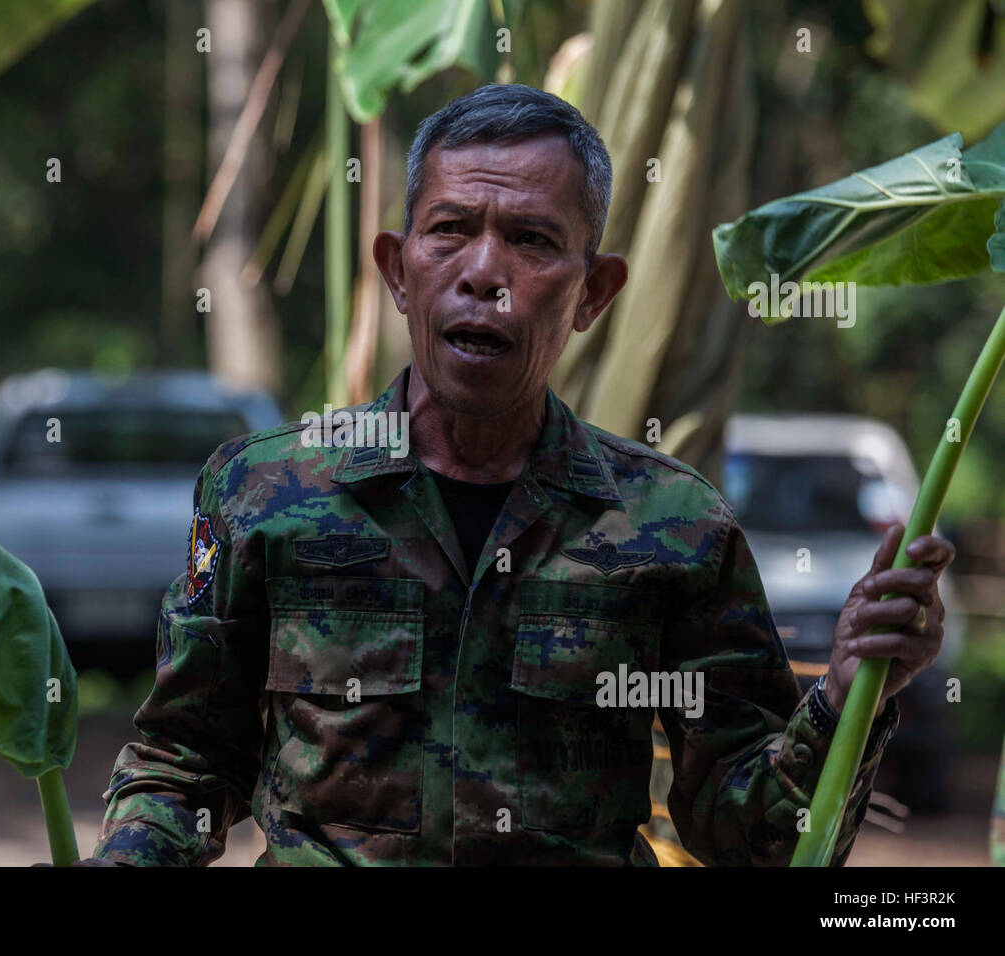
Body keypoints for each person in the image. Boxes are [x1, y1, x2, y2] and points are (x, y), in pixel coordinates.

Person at [92, 83, 954, 866]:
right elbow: (188, 763)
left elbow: (758, 837)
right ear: (398, 269)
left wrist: (848, 692)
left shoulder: (672, 523)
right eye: (451, 230)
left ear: (593, 293)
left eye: (532, 241)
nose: (483, 274)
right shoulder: (264, 491)